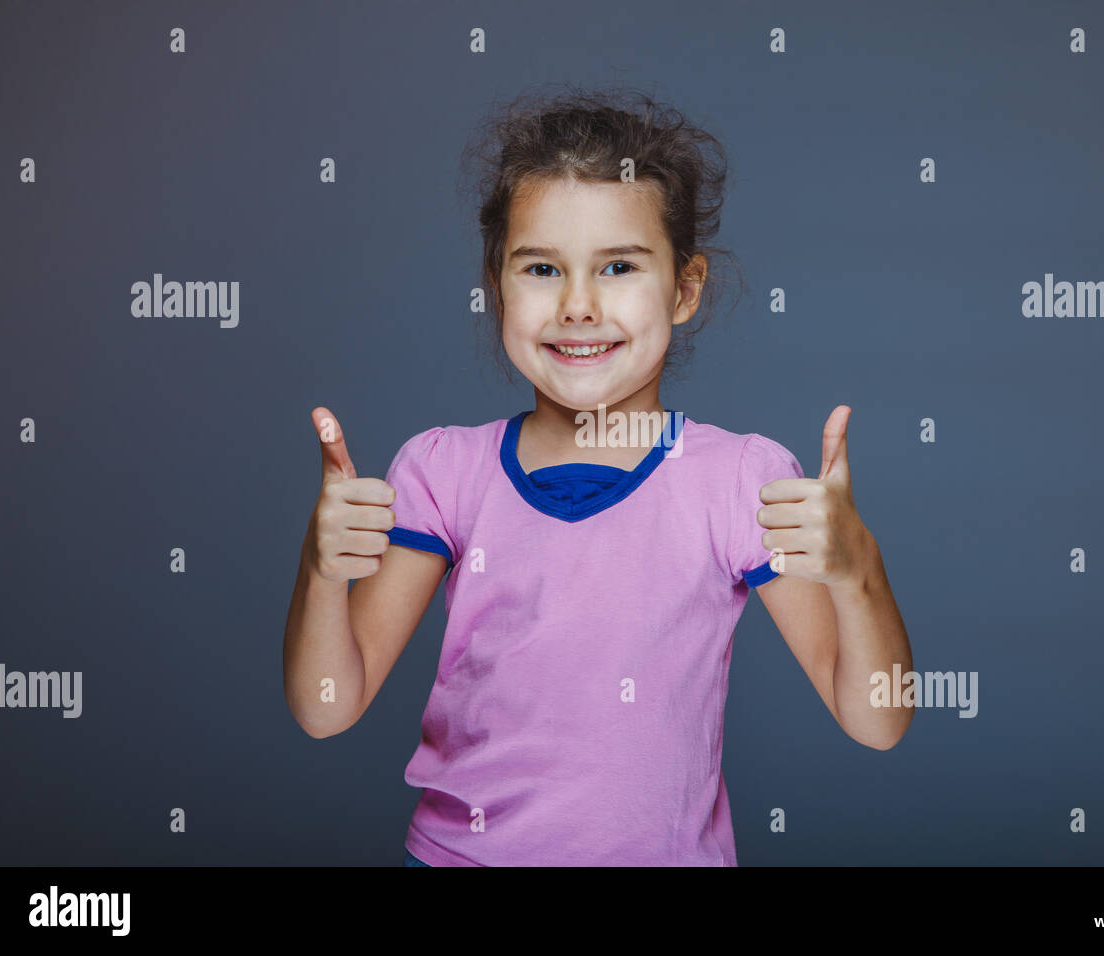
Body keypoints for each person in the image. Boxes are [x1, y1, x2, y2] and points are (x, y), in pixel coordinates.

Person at [282, 87, 912, 867]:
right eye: (542, 268)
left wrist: (860, 574)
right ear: (496, 286)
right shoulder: (443, 472)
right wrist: (319, 573)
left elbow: (878, 722)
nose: (578, 306)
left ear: (685, 289)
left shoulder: (739, 481)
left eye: (618, 266)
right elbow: (324, 710)